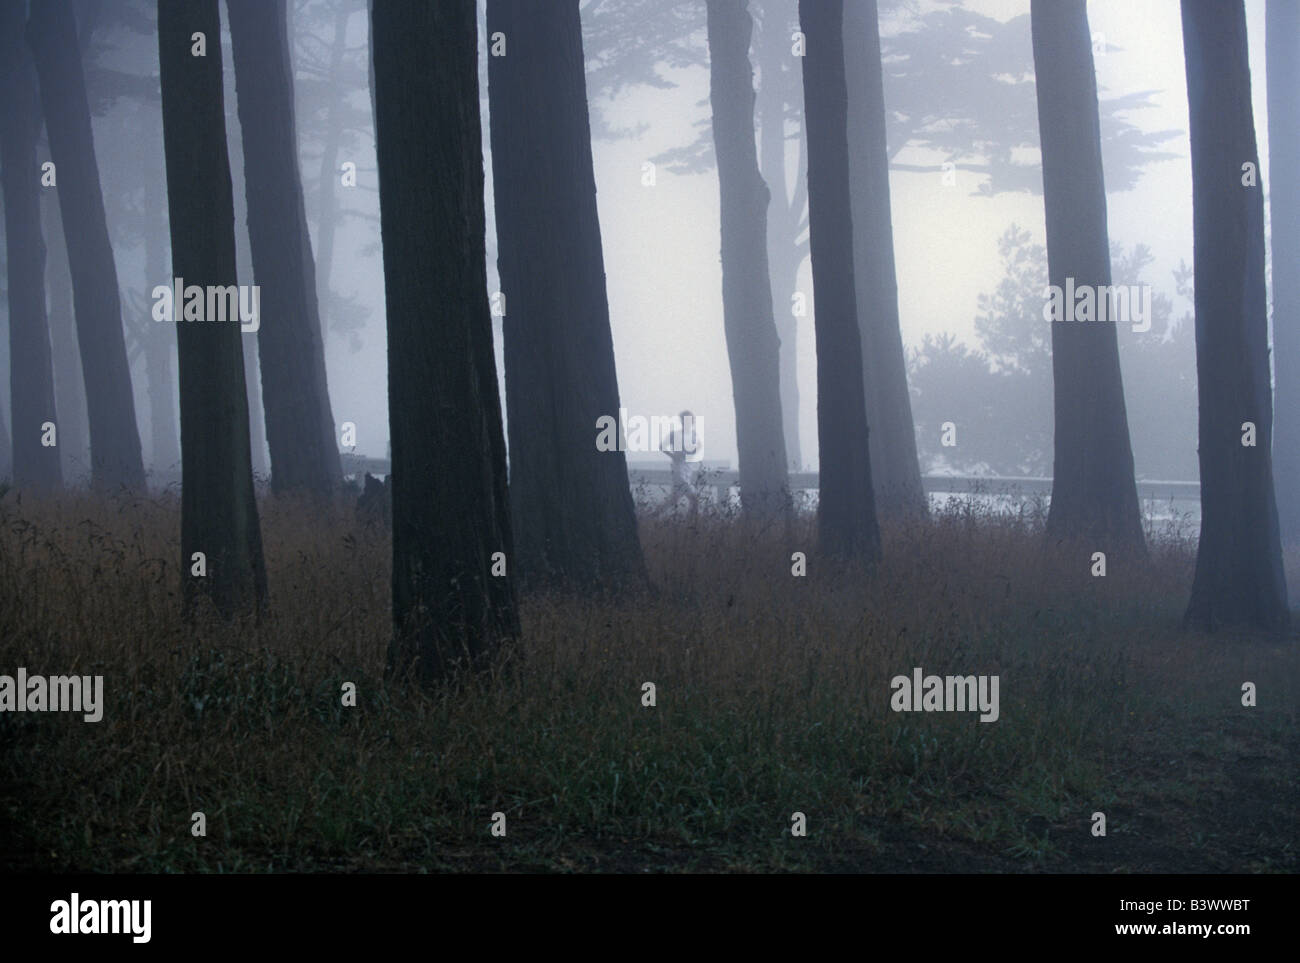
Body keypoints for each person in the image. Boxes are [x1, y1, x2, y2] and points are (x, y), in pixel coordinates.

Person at [661, 410, 701, 517]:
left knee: (673, 499)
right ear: (682, 421)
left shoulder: (693, 434)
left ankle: (652, 516)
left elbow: (697, 447)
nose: (689, 422)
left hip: (688, 468)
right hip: (678, 469)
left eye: (691, 420)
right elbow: (662, 446)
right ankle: (692, 523)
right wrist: (673, 455)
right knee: (694, 499)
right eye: (686, 420)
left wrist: (691, 451)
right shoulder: (674, 434)